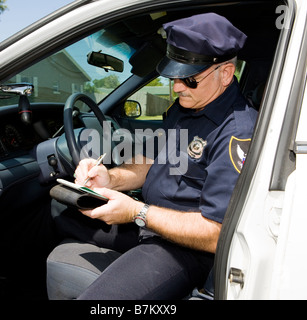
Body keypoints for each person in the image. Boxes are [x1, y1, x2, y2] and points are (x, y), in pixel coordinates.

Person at [46, 12, 258, 300]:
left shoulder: (237, 131)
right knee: (59, 209)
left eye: (189, 79)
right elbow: (152, 161)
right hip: (149, 224)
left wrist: (138, 212)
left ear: (225, 73)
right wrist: (110, 179)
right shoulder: (186, 107)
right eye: (174, 76)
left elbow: (217, 233)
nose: (177, 87)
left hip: (185, 249)